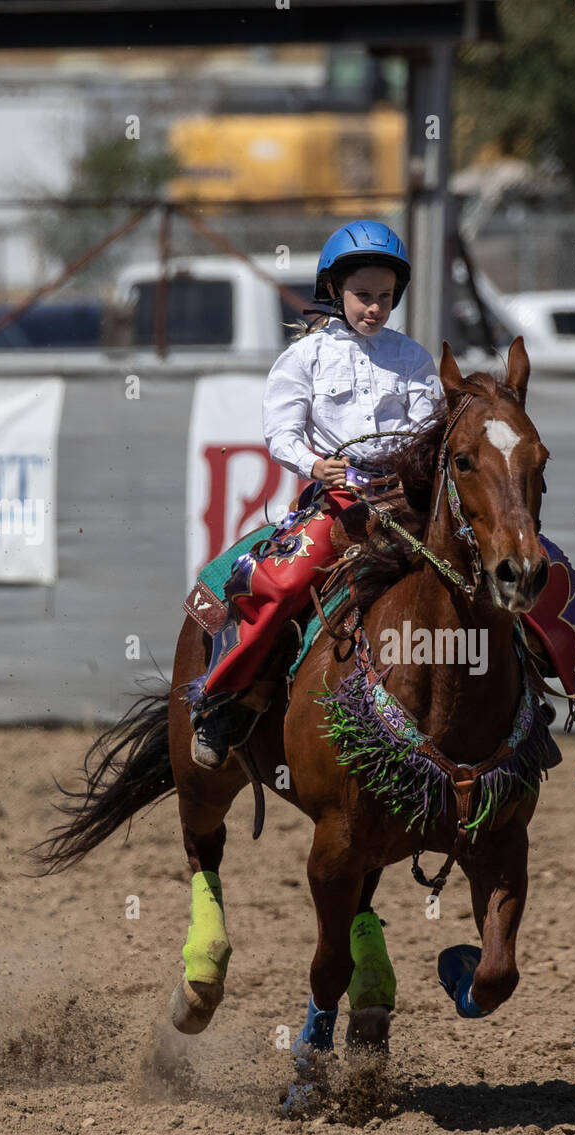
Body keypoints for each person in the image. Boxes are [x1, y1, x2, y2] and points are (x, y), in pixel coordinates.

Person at [188, 220, 442, 768]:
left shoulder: (415, 359)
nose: (374, 308)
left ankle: (539, 698)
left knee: (495, 558)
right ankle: (228, 700)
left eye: (385, 297)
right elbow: (281, 432)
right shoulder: (303, 357)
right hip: (342, 504)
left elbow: (428, 430)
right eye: (363, 296)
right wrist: (314, 465)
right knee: (285, 584)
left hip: (411, 504)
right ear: (335, 292)